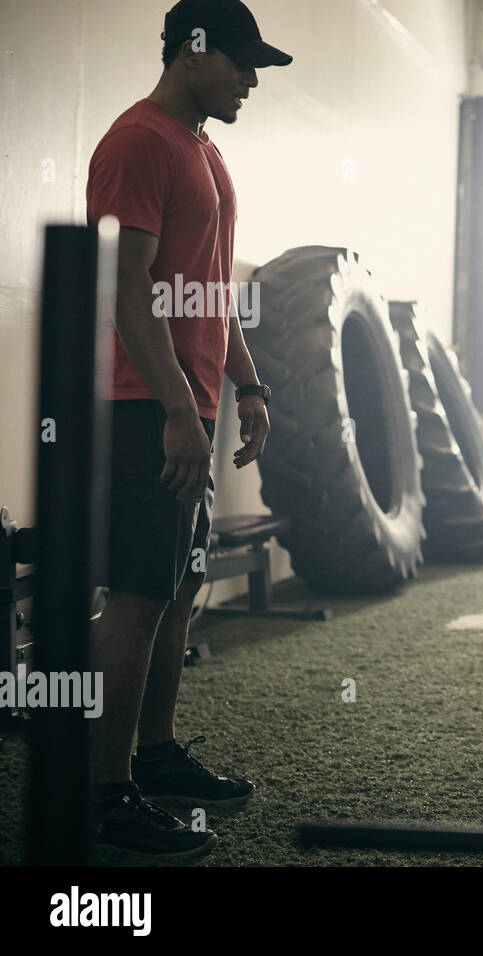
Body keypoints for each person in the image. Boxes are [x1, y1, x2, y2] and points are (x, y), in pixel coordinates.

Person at [84, 0, 291, 862]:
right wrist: (174, 407)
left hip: (191, 403)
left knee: (174, 590)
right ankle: (102, 793)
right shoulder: (136, 141)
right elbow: (126, 289)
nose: (251, 80)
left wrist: (247, 383)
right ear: (192, 53)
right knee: (135, 597)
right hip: (146, 405)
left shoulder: (204, 151)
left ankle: (156, 755)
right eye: (242, 64)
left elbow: (206, 287)